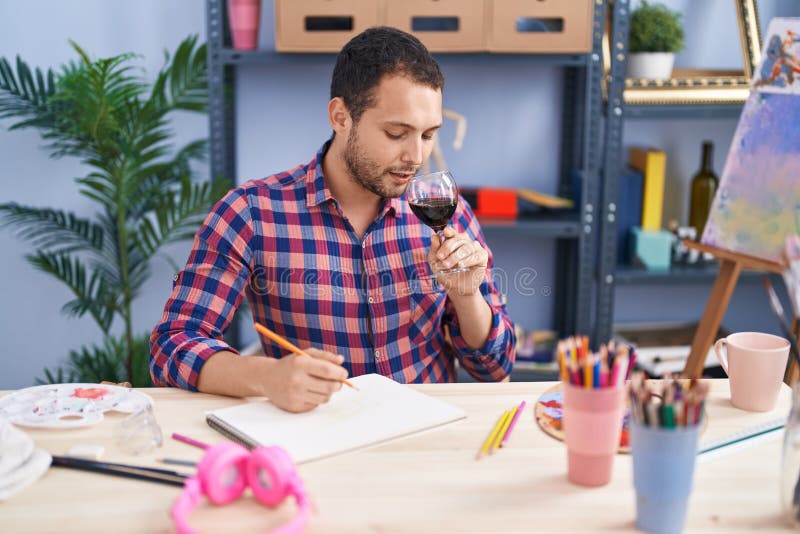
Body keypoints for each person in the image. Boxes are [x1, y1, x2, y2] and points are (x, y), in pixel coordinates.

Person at [150, 26, 516, 412]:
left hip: (428, 430)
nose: (416, 157)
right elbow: (173, 345)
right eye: (396, 133)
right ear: (341, 117)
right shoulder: (252, 214)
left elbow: (495, 369)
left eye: (428, 136)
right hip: (318, 434)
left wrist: (466, 296)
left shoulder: (447, 216)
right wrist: (266, 377)